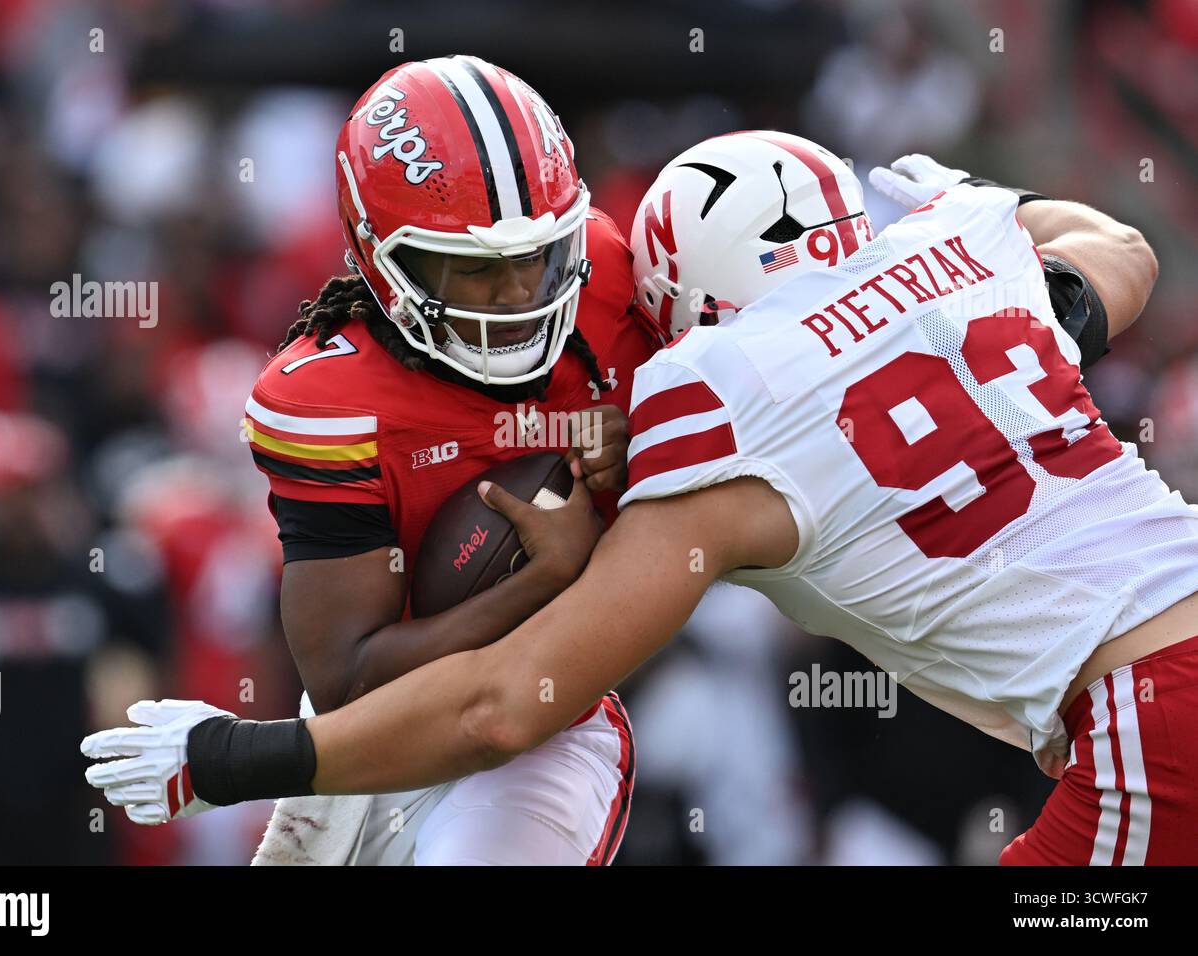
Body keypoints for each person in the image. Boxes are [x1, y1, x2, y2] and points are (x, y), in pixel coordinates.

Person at [85, 136, 1195, 866]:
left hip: (1157, 715)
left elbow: (503, 704)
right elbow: (1123, 249)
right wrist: (997, 320)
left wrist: (243, 756)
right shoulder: (957, 246)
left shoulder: (717, 402)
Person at [237, 55, 656, 865]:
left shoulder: (614, 283)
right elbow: (349, 679)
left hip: (549, 721)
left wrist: (649, 448)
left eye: (537, 256)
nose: (521, 293)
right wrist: (543, 576)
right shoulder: (326, 398)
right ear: (388, 262)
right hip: (383, 726)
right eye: (477, 267)